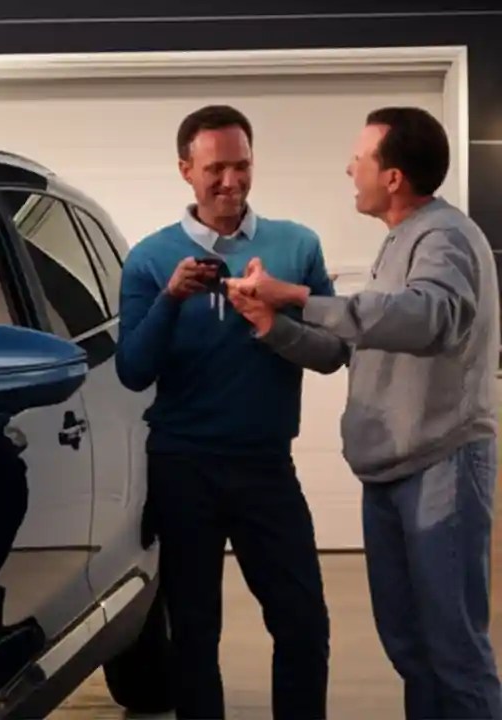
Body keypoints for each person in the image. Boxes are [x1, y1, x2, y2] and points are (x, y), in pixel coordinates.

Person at [224, 106, 502, 720]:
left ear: (394, 176)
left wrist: (298, 295)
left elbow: (429, 318)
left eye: (361, 158)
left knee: (453, 652)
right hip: (394, 473)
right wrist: (275, 327)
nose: (350, 167)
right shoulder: (400, 242)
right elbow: (341, 352)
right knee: (411, 647)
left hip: (441, 468)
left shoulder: (444, 237)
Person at [116, 104, 338, 719]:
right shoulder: (150, 259)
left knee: (302, 623)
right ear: (186, 170)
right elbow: (133, 370)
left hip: (266, 465)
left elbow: (333, 353)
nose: (230, 183)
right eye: (215, 169)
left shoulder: (296, 245)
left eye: (241, 166)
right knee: (192, 634)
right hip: (183, 466)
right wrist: (170, 300)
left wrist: (273, 326)